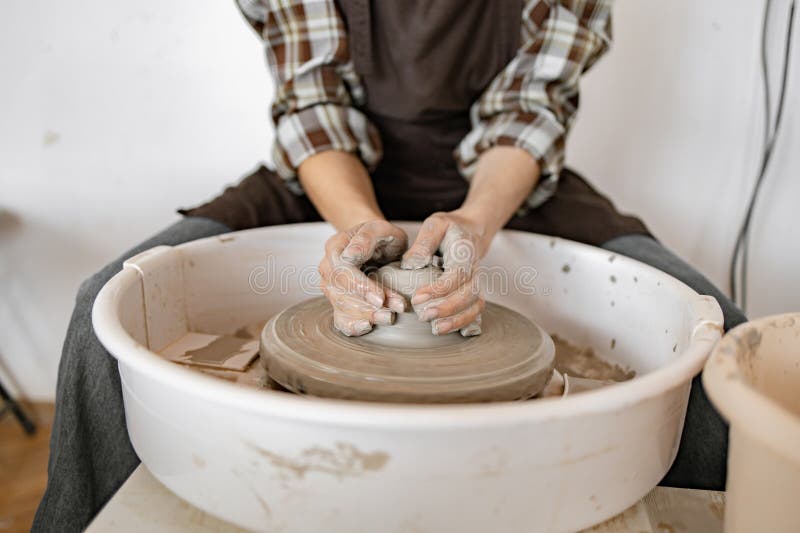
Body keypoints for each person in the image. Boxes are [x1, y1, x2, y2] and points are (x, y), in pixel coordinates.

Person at [34, 0, 746, 530]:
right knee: (102, 312)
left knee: (720, 347)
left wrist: (475, 223)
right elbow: (313, 107)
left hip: (503, 181)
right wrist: (362, 229)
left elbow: (529, 112)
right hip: (325, 172)